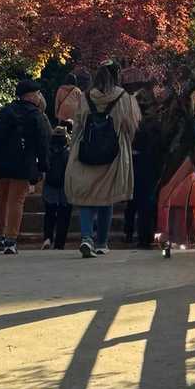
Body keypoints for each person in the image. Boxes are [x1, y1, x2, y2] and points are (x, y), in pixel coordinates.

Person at [65, 60, 141, 257]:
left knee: (86, 198)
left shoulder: (85, 96)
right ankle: (102, 242)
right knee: (107, 198)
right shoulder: (123, 96)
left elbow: (78, 125)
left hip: (86, 151)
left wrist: (73, 148)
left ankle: (86, 237)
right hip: (113, 153)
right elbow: (130, 126)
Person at [0, 79, 51, 254]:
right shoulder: (36, 116)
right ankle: (11, 240)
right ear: (32, 95)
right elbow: (42, 143)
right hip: (23, 162)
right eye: (38, 93)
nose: (39, 97)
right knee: (16, 201)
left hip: (1, 161)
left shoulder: (5, 111)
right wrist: (43, 165)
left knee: (1, 199)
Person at [128, 96, 166, 249]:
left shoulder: (141, 127)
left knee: (140, 205)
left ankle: (142, 237)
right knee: (151, 203)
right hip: (154, 168)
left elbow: (136, 146)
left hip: (140, 168)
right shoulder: (158, 126)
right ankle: (151, 235)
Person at [42, 121, 73, 251]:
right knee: (64, 217)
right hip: (65, 188)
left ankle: (48, 237)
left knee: (49, 214)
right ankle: (60, 243)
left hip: (49, 186)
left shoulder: (47, 151)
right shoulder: (68, 152)